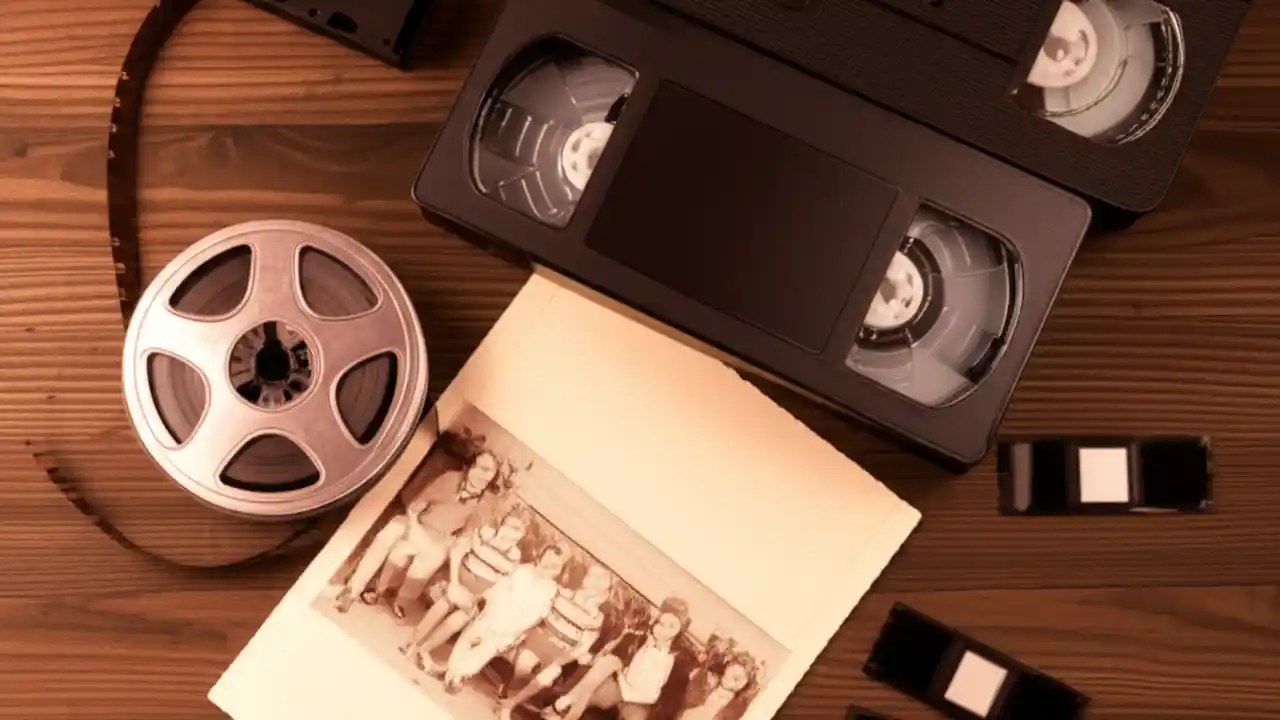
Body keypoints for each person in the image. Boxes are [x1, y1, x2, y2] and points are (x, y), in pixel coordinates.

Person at [333, 449, 502, 615]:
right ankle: (354, 590)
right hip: (417, 522)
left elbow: (466, 534)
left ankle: (400, 600)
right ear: (470, 467)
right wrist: (415, 530)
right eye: (480, 467)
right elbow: (416, 506)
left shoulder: (485, 502)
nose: (483, 475)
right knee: (391, 531)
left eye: (489, 472)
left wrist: (450, 543)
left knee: (432, 556)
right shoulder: (450, 478)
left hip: (440, 536)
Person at [427, 545, 571, 693]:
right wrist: (485, 605)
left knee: (483, 652)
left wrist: (516, 634)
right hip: (492, 616)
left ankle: (456, 674)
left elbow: (534, 617)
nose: (549, 566)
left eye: (555, 565)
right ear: (540, 559)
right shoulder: (523, 571)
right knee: (466, 639)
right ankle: (453, 672)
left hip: (508, 629)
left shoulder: (549, 590)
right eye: (547, 560)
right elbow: (499, 591)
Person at [398, 510, 527, 662]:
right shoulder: (484, 534)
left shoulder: (515, 556)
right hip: (458, 580)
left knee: (463, 616)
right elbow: (457, 553)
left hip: (477, 594)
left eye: (517, 529)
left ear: (522, 535)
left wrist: (479, 599)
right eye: (508, 525)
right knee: (446, 601)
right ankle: (413, 642)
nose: (510, 532)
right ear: (502, 523)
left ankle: (425, 650)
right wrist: (454, 583)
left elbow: (501, 585)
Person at [542, 597, 692, 720]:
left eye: (671, 626)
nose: (662, 628)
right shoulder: (642, 640)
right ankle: (566, 705)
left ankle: (563, 707)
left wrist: (622, 681)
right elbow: (620, 660)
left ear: (679, 630)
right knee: (604, 669)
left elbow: (651, 697)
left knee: (634, 717)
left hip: (638, 701)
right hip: (620, 687)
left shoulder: (671, 659)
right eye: (661, 623)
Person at [497, 564, 614, 719]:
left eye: (597, 578)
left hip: (561, 654)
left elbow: (583, 646)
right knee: (526, 668)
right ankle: (510, 698)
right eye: (590, 574)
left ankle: (510, 703)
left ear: (602, 590)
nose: (589, 578)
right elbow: (538, 615)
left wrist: (561, 661)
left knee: (548, 676)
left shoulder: (596, 617)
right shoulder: (562, 594)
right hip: (539, 640)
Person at [677, 652, 757, 720]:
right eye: (732, 671)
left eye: (738, 678)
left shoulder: (735, 709)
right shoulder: (704, 685)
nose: (733, 680)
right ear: (726, 668)